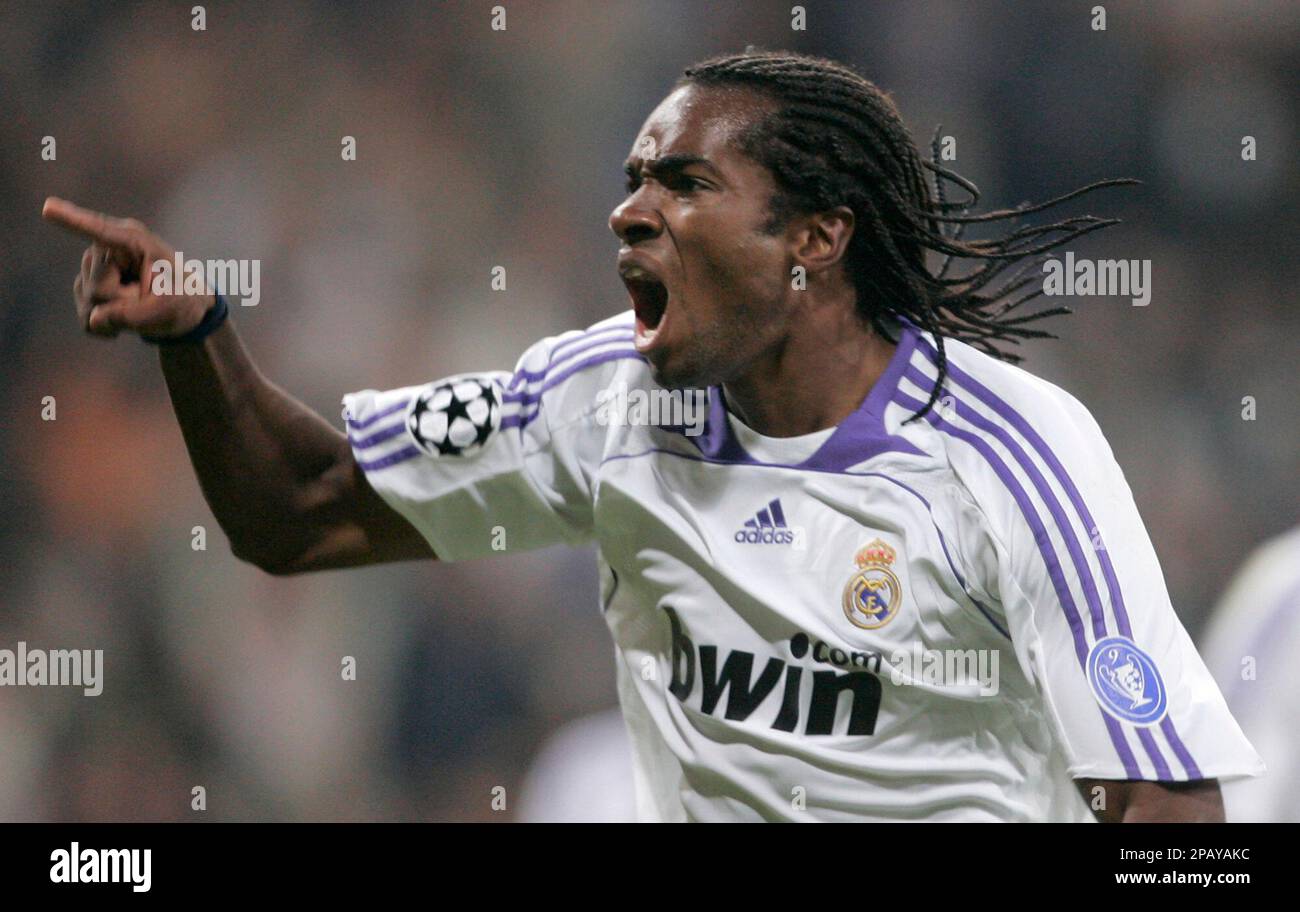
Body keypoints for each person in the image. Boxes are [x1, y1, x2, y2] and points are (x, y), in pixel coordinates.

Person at [43, 50, 1260, 822]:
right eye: (631, 179)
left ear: (814, 240)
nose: (629, 212)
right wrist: (198, 332)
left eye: (682, 183)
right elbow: (297, 510)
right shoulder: (602, 399)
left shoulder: (1013, 453)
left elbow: (1165, 805)